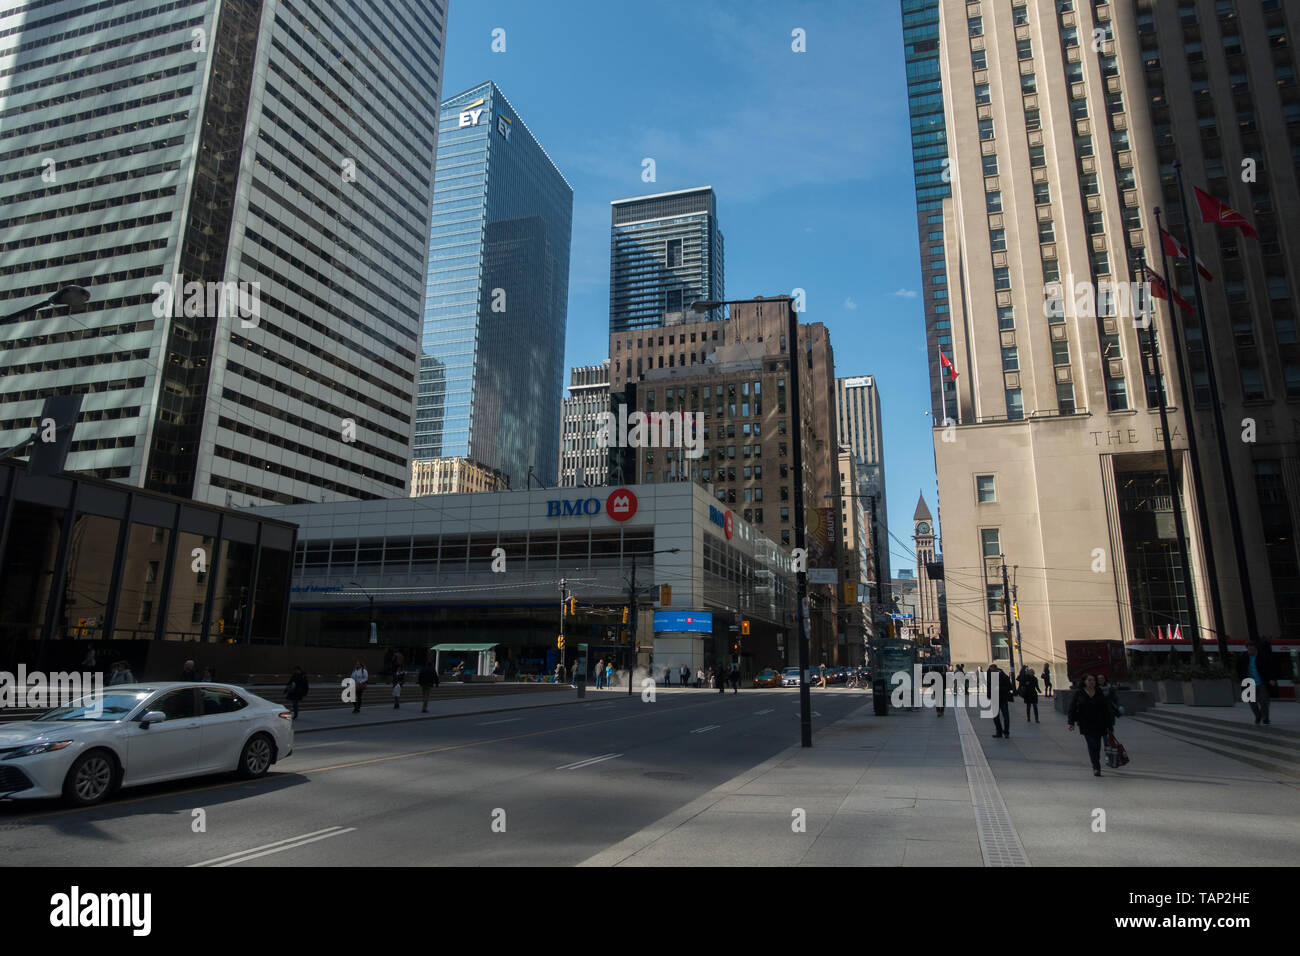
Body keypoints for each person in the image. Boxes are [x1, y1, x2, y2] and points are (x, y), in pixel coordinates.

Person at [1068, 673, 1114, 776]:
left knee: (1097, 745)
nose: (1091, 682)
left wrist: (1109, 725)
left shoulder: (1099, 692)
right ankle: (1096, 766)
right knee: (1091, 744)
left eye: (1093, 680)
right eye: (1089, 680)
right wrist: (1071, 722)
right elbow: (1072, 708)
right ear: (1084, 682)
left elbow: (1105, 709)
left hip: (1100, 723)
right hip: (1085, 723)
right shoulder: (1079, 693)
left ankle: (1096, 762)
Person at [1236, 640, 1276, 725]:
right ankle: (1258, 716)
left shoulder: (1263, 656)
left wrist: (1271, 679)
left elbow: (1270, 668)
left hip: (1261, 682)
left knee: (1264, 701)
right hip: (1248, 682)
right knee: (1252, 702)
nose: (1252, 652)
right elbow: (1239, 669)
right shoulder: (1242, 657)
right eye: (1250, 650)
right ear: (1247, 649)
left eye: (1253, 650)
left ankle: (1265, 718)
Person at [987, 664, 1013, 738]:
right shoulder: (990, 675)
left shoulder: (1003, 676)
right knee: (996, 717)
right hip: (994, 698)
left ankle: (1006, 732)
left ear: (996, 669)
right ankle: (999, 731)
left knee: (1005, 716)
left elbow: (1009, 686)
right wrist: (989, 695)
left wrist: (999, 688)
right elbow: (989, 686)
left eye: (993, 670)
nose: (991, 671)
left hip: (1002, 698)